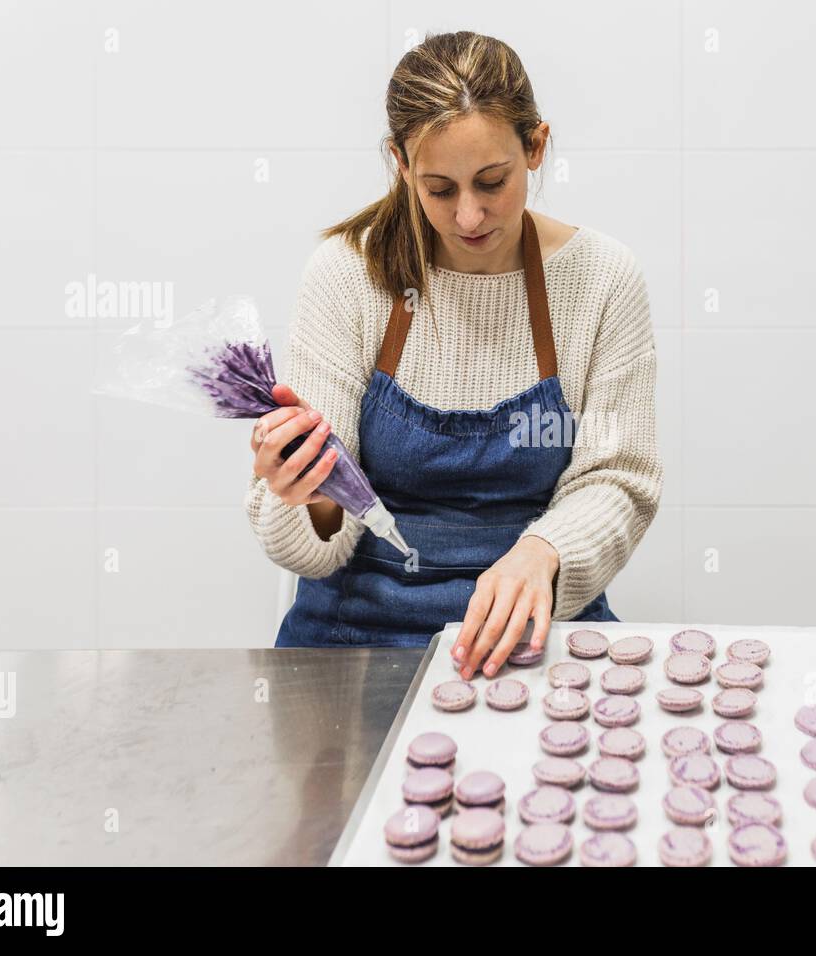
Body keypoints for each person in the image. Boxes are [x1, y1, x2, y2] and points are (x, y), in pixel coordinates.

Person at [245, 30, 662, 679]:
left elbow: (618, 478)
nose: (469, 216)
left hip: (535, 623)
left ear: (536, 147)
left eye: (491, 181)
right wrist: (308, 494)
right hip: (357, 631)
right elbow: (316, 544)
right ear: (401, 164)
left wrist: (544, 551)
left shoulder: (601, 279)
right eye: (439, 189)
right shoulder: (346, 275)